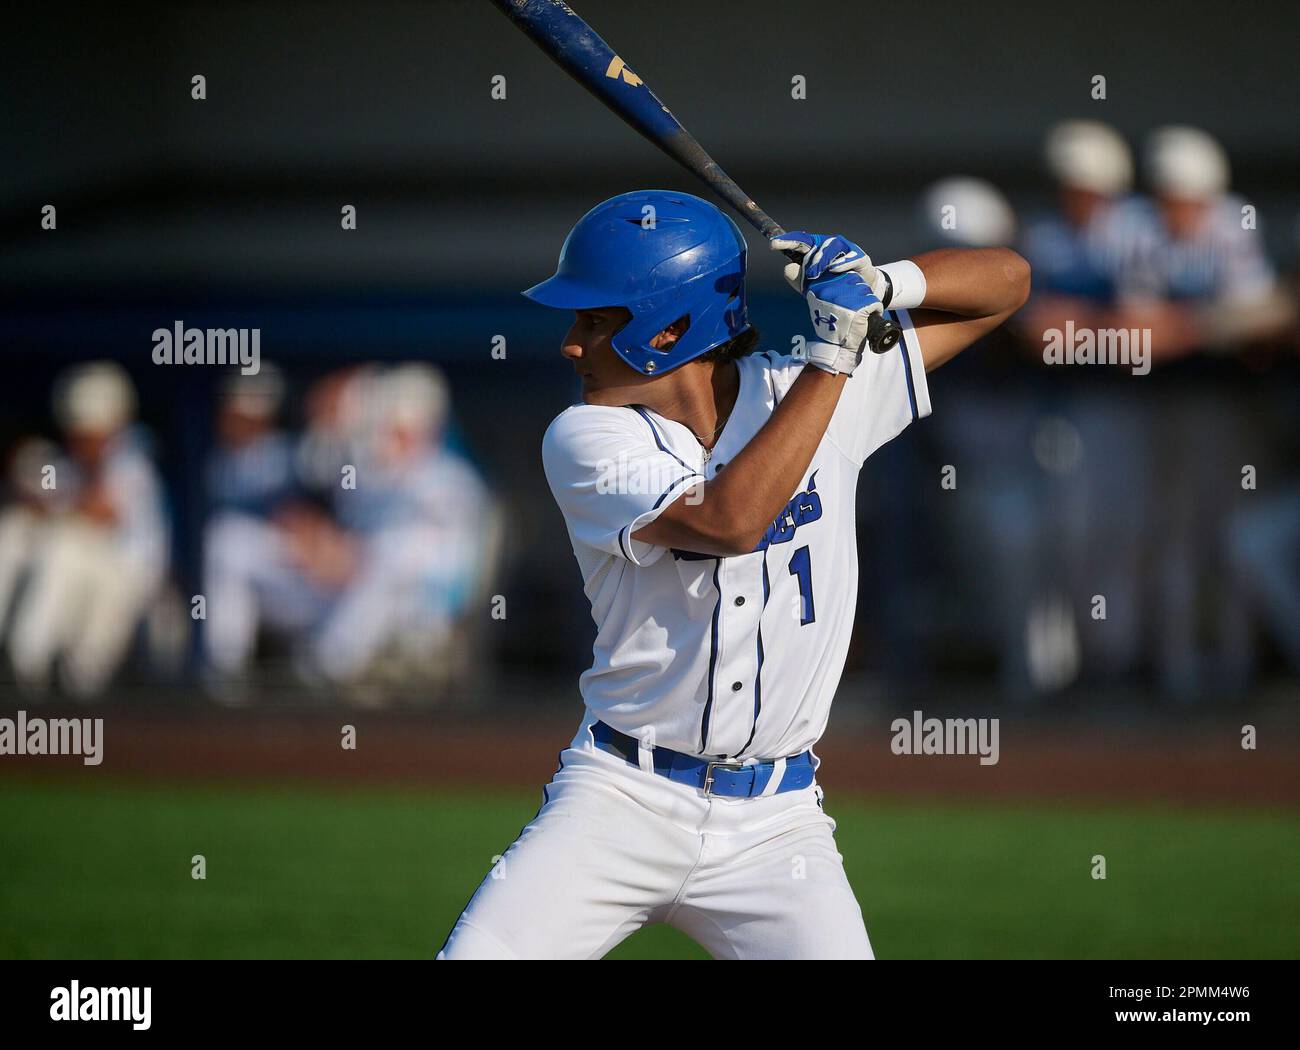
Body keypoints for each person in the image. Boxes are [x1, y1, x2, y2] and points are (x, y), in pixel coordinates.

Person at [438, 189, 1029, 959]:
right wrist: (835, 355)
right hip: (621, 800)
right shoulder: (584, 438)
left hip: (778, 828)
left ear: (670, 329)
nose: (571, 345)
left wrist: (883, 284)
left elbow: (1007, 281)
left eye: (593, 321)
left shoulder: (813, 389)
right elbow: (730, 521)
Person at [6, 362, 168, 698]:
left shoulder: (134, 459)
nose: (81, 441)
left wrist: (55, 504)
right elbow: (38, 497)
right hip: (91, 571)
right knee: (15, 531)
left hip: (136, 580)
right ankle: (23, 664)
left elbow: (100, 509)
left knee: (64, 547)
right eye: (76, 432)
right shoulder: (64, 463)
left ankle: (39, 670)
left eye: (90, 433)